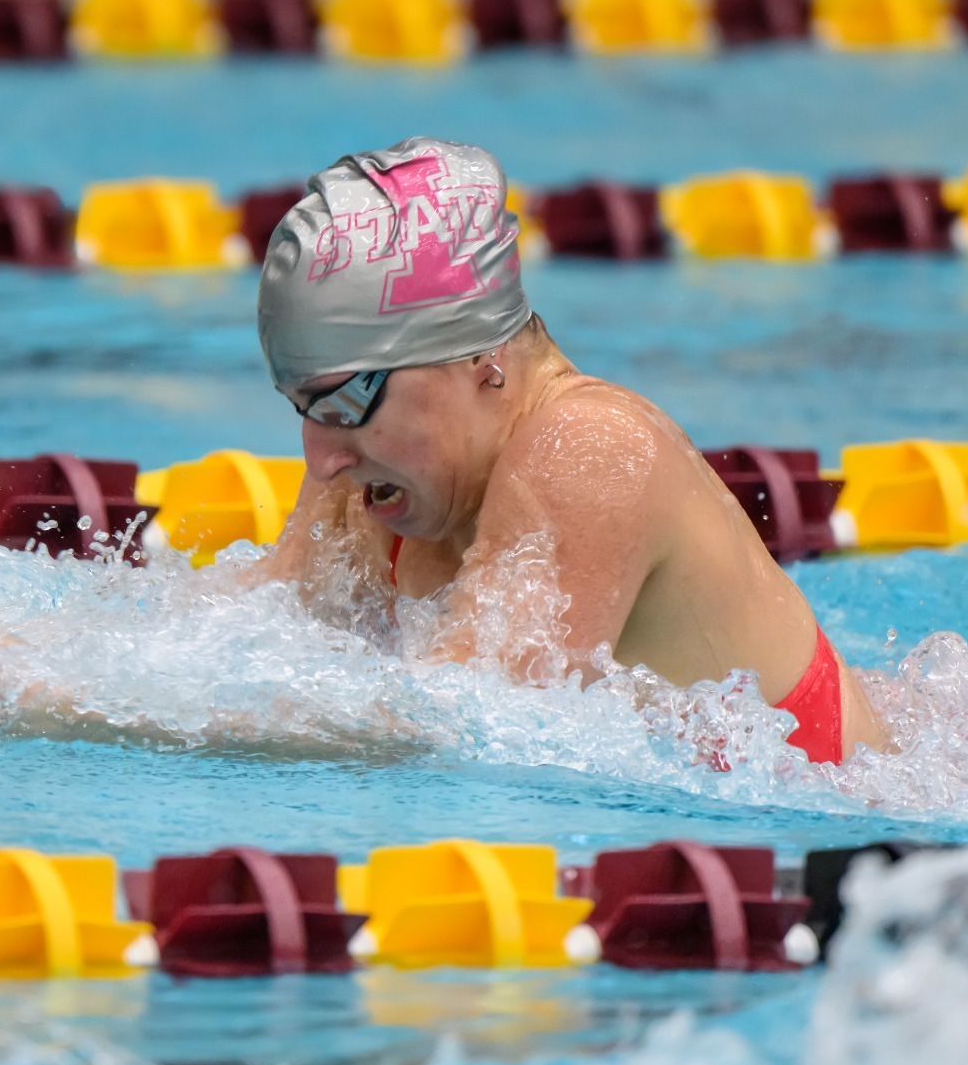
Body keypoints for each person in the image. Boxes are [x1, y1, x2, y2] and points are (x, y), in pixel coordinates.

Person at [246, 136, 886, 763]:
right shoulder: (365, 474)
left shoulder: (589, 451)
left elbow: (462, 736)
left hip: (845, 804)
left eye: (346, 400)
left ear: (479, 357)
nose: (321, 459)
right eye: (305, 406)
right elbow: (248, 644)